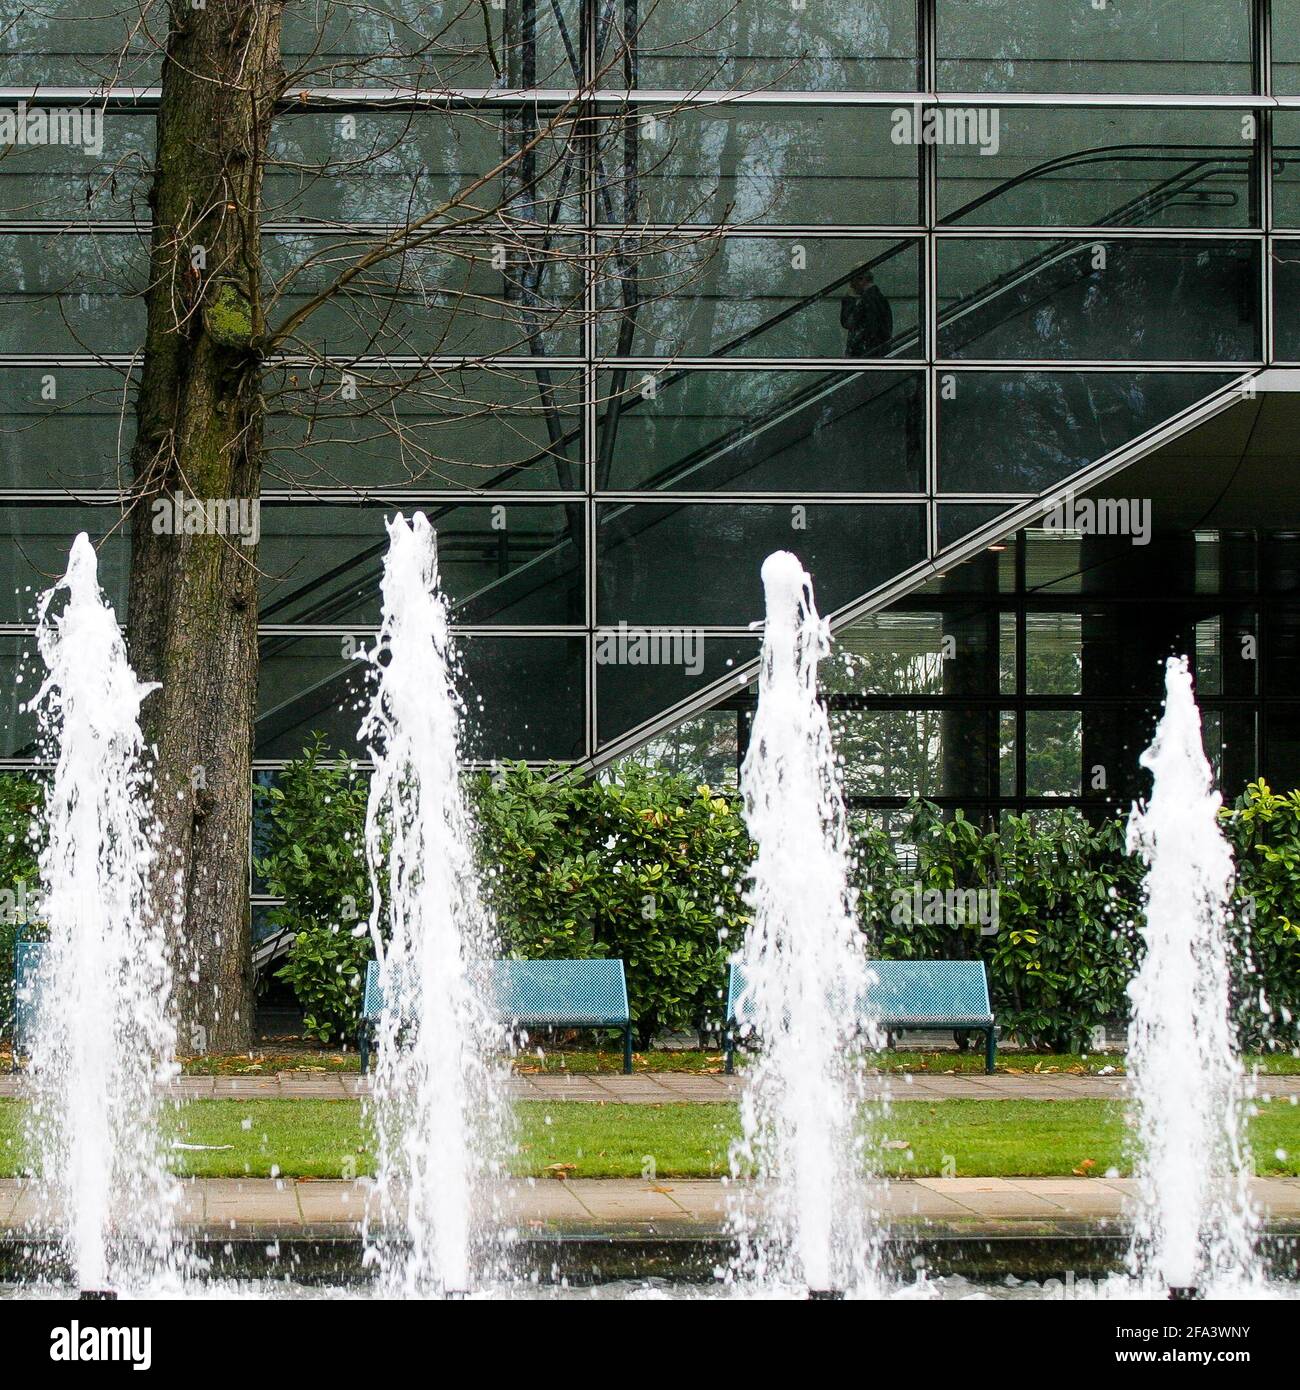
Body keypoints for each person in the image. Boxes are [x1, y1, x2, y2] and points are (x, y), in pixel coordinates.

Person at [840, 267, 893, 356]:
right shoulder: (876, 298)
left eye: (852, 281)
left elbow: (848, 322)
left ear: (861, 279)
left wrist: (849, 300)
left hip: (867, 352)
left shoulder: (868, 300)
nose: (851, 286)